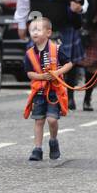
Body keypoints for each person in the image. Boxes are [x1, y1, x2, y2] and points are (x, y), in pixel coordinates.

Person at [13, 0, 85, 101]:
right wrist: (21, 24)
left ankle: (69, 96)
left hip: (63, 27)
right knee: (39, 63)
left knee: (66, 62)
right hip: (40, 30)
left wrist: (79, 8)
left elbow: (82, 1)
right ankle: (40, 94)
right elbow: (23, 2)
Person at [22, 16, 73, 162]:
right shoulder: (30, 53)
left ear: (48, 32)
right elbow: (29, 73)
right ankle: (37, 149)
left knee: (51, 120)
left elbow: (69, 64)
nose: (34, 32)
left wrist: (57, 73)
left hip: (54, 92)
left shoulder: (56, 49)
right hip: (39, 92)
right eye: (32, 30)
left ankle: (53, 140)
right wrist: (41, 77)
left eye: (38, 29)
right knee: (39, 120)